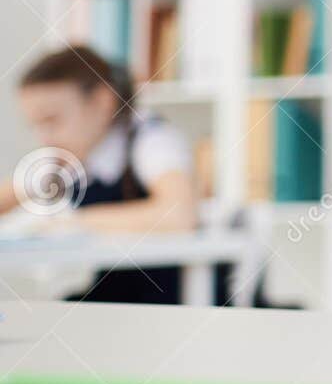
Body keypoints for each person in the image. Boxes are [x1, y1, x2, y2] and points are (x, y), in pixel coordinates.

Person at [2, 44, 201, 302]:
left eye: (52, 120)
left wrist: (72, 224)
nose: (44, 137)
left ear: (103, 101)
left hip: (172, 300)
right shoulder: (71, 155)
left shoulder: (150, 139)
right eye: (36, 126)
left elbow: (179, 215)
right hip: (117, 295)